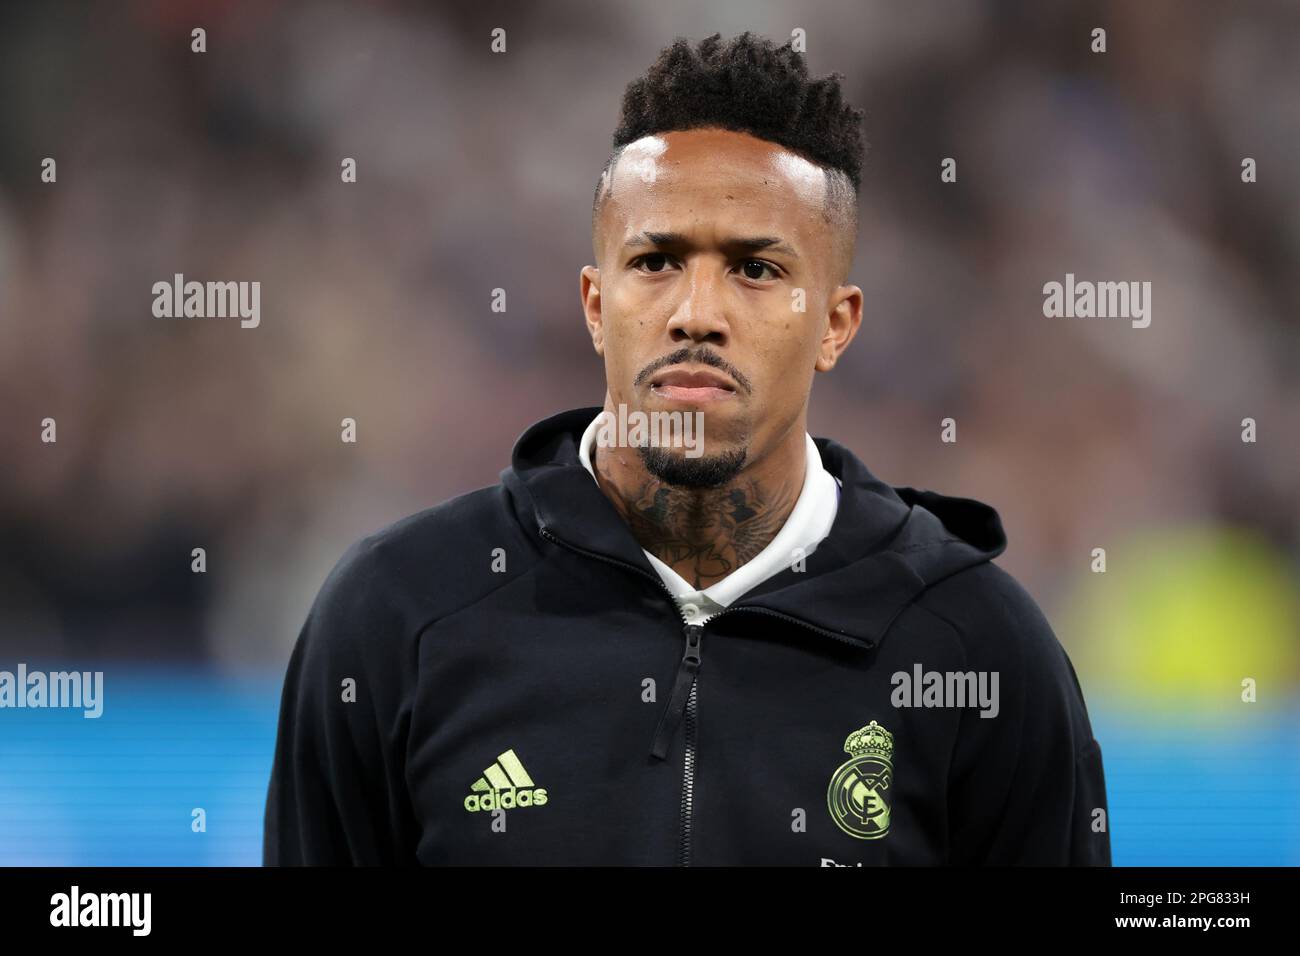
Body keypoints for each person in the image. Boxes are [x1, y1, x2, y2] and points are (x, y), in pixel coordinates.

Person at [263, 31, 1111, 866]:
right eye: (657, 260)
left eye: (756, 270)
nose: (696, 312)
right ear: (596, 306)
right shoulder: (398, 615)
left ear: (836, 324)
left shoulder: (976, 649)